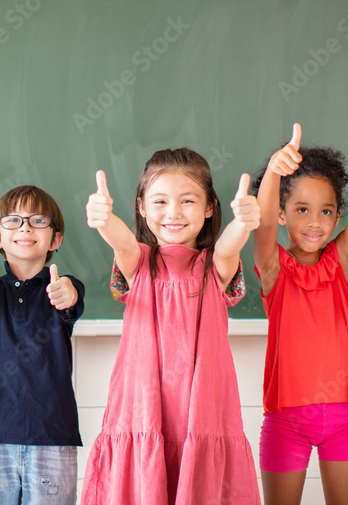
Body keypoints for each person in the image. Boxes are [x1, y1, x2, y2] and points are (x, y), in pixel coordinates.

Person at [80, 148, 261, 505]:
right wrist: (104, 221)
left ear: (210, 207)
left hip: (201, 410)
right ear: (142, 208)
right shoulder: (139, 263)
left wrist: (243, 223)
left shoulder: (213, 267)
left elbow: (227, 249)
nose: (174, 212)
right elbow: (122, 242)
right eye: (160, 201)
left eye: (188, 201)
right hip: (143, 408)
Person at [251, 124, 348, 505]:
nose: (315, 221)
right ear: (283, 215)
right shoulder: (273, 269)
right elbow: (262, 225)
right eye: (302, 209)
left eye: (326, 211)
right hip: (286, 422)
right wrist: (275, 174)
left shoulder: (339, 261)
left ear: (336, 217)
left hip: (344, 420)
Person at [0, 185, 84, 504]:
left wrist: (67, 292)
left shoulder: (63, 286)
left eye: (38, 220)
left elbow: (71, 295)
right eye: (13, 220)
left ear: (56, 238)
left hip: (52, 437)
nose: (25, 227)